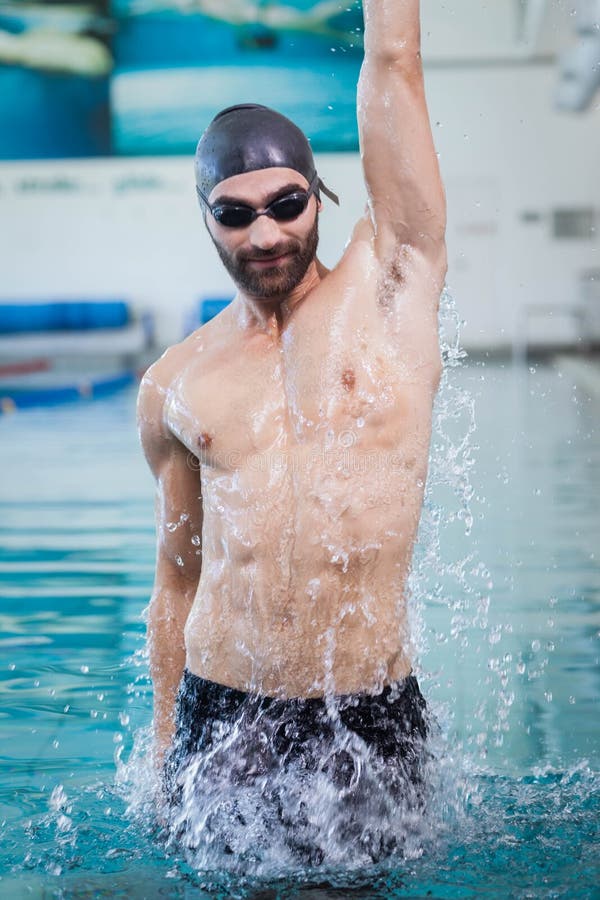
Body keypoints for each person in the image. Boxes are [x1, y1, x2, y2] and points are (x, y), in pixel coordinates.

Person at [137, 0, 447, 839]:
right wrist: (167, 749)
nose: (266, 233)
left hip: (368, 712)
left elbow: (394, 60)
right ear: (206, 217)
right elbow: (176, 581)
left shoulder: (391, 289)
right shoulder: (175, 384)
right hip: (224, 713)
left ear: (320, 192)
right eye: (235, 214)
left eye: (286, 202)